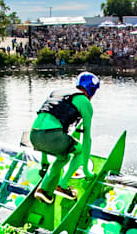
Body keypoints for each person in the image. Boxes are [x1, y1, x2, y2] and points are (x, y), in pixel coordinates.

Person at [29, 72, 99, 204]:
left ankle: (43, 190)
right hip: (52, 137)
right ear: (92, 90)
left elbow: (44, 123)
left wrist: (44, 162)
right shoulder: (84, 102)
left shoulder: (57, 92)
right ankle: (63, 185)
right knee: (78, 150)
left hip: (33, 136)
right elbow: (87, 138)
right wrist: (86, 170)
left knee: (63, 157)